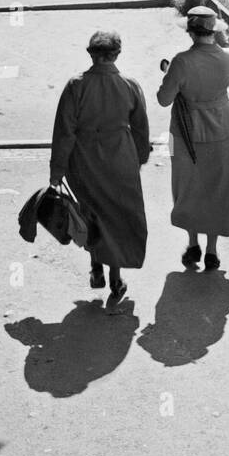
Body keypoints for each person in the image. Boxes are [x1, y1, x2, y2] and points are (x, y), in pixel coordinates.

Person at [48, 30, 151, 308]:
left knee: (90, 213)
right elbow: (141, 128)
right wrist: (139, 158)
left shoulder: (76, 86)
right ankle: (116, 279)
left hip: (84, 160)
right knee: (117, 218)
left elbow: (64, 131)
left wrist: (57, 171)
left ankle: (96, 266)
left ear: (91, 54)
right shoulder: (130, 85)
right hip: (120, 160)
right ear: (117, 54)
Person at [156, 6, 229, 271]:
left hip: (185, 132)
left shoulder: (181, 61)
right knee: (219, 186)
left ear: (191, 32)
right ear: (214, 31)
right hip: (224, 127)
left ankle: (193, 242)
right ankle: (212, 249)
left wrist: (172, 77)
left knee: (188, 186)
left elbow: (163, 99)